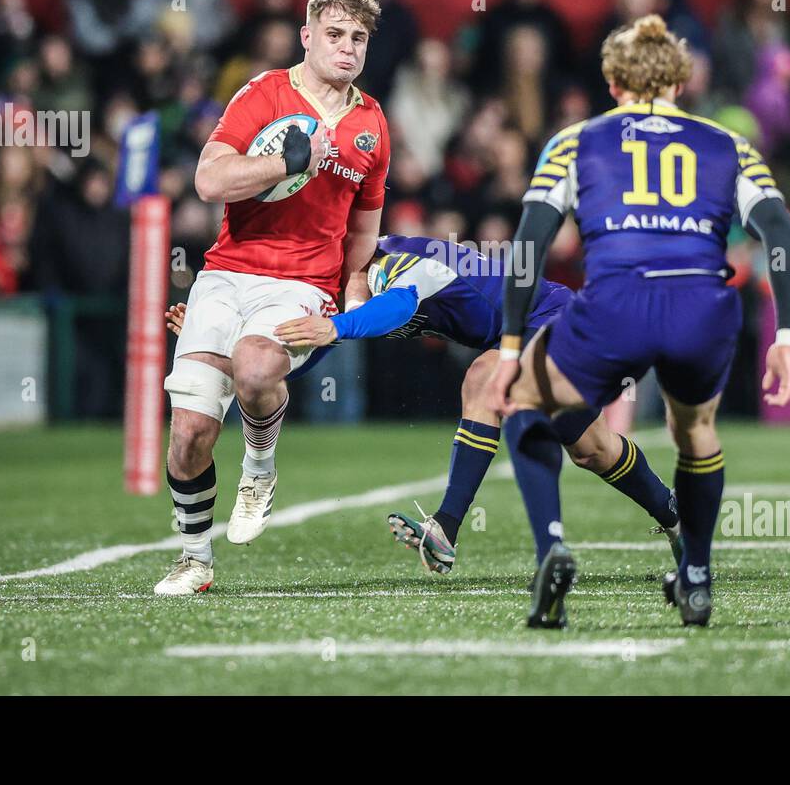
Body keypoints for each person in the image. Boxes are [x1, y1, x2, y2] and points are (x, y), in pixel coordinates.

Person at [483, 14, 790, 628]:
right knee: (696, 432)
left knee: (526, 396)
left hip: (616, 303)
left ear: (613, 83)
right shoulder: (730, 144)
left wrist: (510, 349)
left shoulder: (574, 141)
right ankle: (697, 578)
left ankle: (552, 547)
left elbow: (528, 247)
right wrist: (787, 335)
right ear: (681, 83)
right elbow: (781, 235)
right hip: (701, 307)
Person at [154, 0, 389, 596]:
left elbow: (365, 225)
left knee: (256, 368)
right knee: (189, 434)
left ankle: (259, 466)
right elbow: (209, 180)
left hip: (302, 283)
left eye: (358, 38)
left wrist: (353, 291)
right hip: (226, 276)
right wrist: (288, 161)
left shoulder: (371, 122)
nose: (347, 48)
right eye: (335, 34)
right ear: (306, 36)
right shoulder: (264, 93)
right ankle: (194, 560)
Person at [259, 233, 681, 574]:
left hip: (555, 317)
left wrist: (337, 327)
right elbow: (317, 346)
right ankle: (676, 516)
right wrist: (256, 374)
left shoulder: (399, 261)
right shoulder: (348, 288)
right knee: (592, 450)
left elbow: (397, 305)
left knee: (483, 377)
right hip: (528, 330)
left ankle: (445, 527)